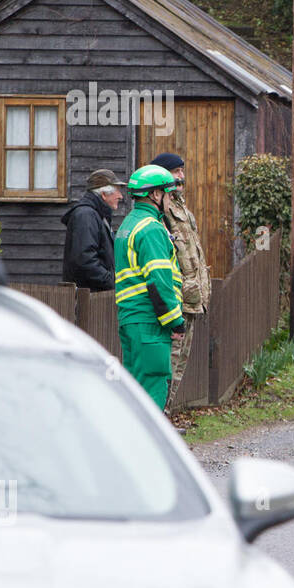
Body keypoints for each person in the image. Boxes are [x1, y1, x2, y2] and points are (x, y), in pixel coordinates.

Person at [114, 165, 185, 411]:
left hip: (131, 320)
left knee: (133, 389)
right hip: (150, 323)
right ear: (155, 195)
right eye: (168, 193)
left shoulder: (128, 225)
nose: (170, 200)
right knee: (152, 390)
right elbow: (159, 281)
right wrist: (175, 321)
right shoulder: (152, 228)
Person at [149, 153, 210, 408]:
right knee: (168, 365)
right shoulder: (161, 212)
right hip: (175, 300)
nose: (182, 177)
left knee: (179, 366)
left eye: (182, 171)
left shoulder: (182, 208)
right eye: (176, 172)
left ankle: (166, 414)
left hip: (192, 297)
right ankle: (158, 417)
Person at [61, 169, 125, 291]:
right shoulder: (86, 215)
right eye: (117, 191)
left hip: (94, 295)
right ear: (104, 195)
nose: (120, 196)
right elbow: (85, 260)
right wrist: (112, 283)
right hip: (87, 298)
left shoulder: (96, 214)